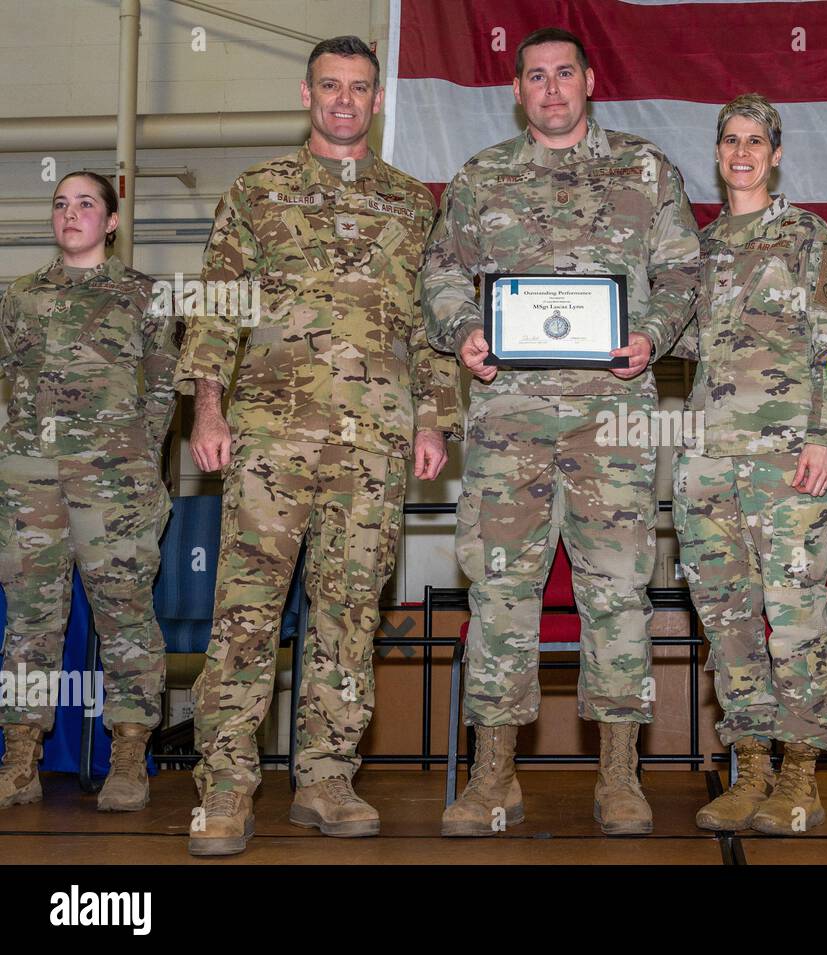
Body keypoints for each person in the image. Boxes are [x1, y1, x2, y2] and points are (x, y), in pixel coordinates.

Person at [178, 36, 461, 856]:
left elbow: (433, 325)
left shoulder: (414, 203)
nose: (344, 100)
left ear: (377, 102)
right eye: (330, 86)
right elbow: (216, 306)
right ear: (307, 96)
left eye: (359, 88)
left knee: (348, 617)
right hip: (267, 438)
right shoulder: (257, 191)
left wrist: (434, 418)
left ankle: (326, 778)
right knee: (245, 614)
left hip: (372, 447)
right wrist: (207, 409)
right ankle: (226, 789)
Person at [423, 27, 699, 836]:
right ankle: (493, 776)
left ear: (589, 81)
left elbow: (684, 271)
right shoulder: (482, 178)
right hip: (508, 419)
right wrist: (462, 329)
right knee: (502, 591)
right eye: (535, 77)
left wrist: (650, 331)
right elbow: (440, 269)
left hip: (610, 420)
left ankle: (619, 775)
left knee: (615, 593)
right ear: (518, 91)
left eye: (564, 74)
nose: (550, 89)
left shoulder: (644, 171)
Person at [672, 94, 827, 835]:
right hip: (707, 466)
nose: (742, 151)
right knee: (728, 625)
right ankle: (750, 768)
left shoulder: (807, 236)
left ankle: (801, 776)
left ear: (775, 153)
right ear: (717, 153)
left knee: (795, 621)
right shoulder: (699, 249)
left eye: (756, 140)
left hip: (787, 465)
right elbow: (668, 340)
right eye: (730, 140)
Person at [0, 171, 177, 813]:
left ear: (110, 221)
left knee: (125, 616)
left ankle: (128, 758)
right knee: (28, 622)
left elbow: (161, 393)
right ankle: (20, 759)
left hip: (115, 485)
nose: (69, 214)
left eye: (85, 204)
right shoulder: (21, 297)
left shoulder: (144, 296)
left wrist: (136, 466)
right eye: (60, 204)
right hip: (30, 484)